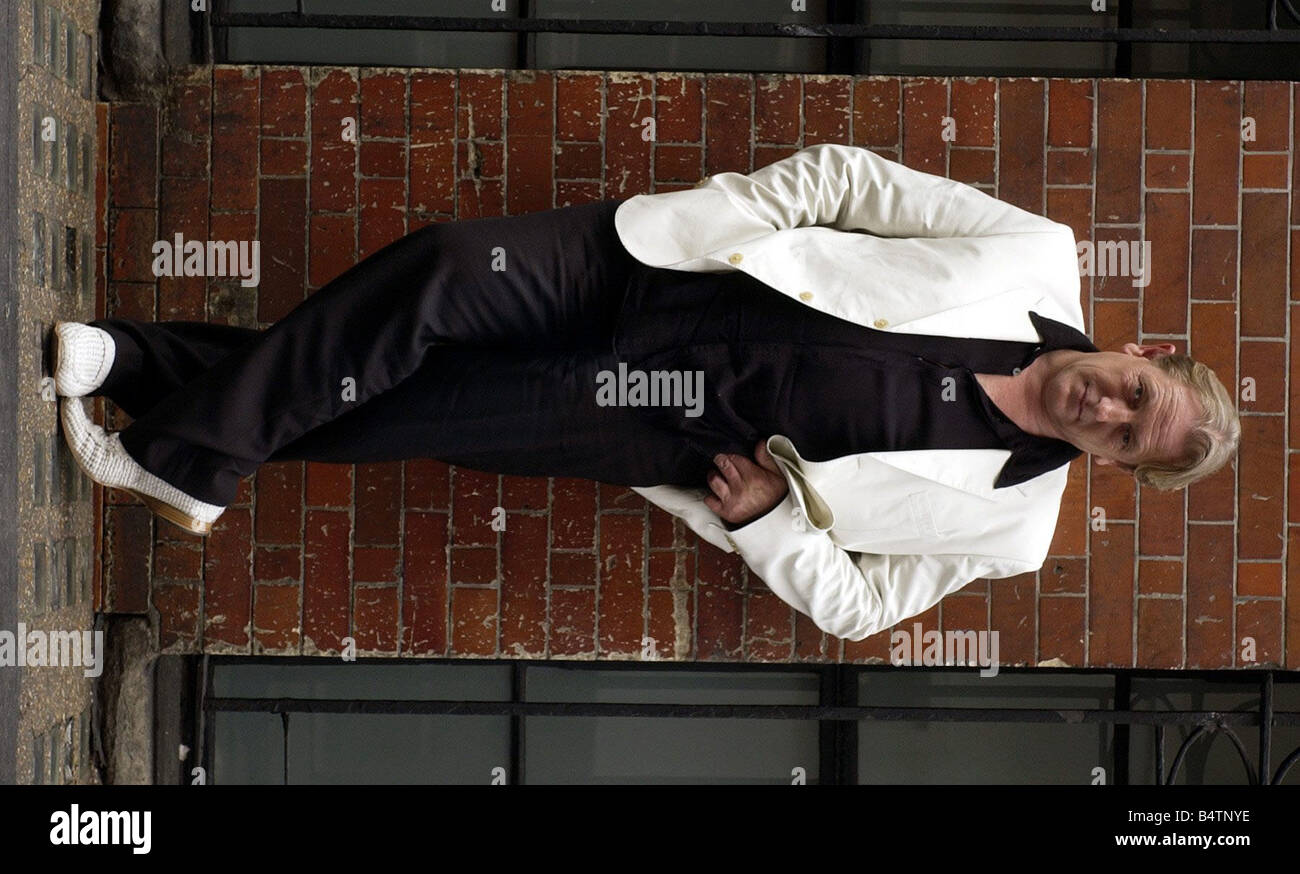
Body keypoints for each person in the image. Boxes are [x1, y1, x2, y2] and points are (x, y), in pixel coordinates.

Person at [56, 143, 1239, 641]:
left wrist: (772, 529)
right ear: (1140, 352)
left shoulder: (1017, 524)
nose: (1113, 408)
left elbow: (862, 610)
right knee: (441, 269)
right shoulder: (1038, 253)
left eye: (1135, 436)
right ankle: (189, 456)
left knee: (411, 404)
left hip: (657, 410)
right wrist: (746, 212)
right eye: (1141, 388)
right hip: (668, 263)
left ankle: (134, 368)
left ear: (1122, 467)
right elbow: (862, 182)